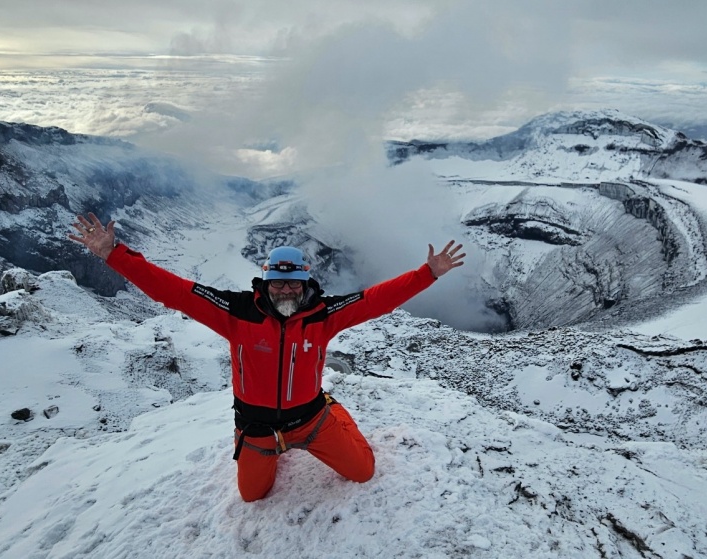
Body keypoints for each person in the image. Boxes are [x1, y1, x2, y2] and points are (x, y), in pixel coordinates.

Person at [68, 212, 465, 502]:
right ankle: (276, 443)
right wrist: (114, 255)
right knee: (252, 496)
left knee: (363, 471)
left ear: (306, 281)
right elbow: (172, 291)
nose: (287, 290)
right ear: (267, 282)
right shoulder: (237, 312)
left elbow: (374, 301)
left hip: (310, 420)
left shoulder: (322, 315)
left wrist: (426, 274)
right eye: (279, 282)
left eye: (294, 282)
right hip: (256, 428)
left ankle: (334, 409)